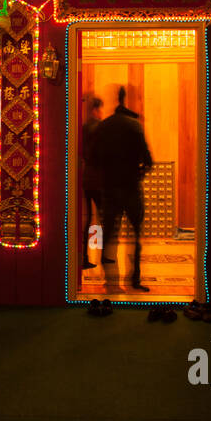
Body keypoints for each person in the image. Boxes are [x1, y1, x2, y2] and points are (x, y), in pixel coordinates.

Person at [90, 85, 153, 293]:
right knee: (136, 235)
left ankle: (110, 281)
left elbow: (93, 159)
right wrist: (138, 174)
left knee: (109, 235)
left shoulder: (103, 127)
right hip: (132, 187)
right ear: (126, 100)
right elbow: (148, 161)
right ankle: (134, 279)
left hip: (110, 187)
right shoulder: (134, 126)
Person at [80, 95, 103, 270]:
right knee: (101, 216)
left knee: (86, 217)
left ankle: (84, 256)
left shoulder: (84, 127)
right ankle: (101, 254)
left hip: (86, 175)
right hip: (98, 177)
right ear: (96, 109)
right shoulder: (98, 128)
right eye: (100, 109)